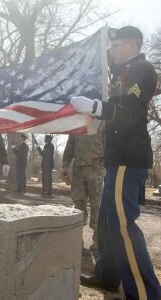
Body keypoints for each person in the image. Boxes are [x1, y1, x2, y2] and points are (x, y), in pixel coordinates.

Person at [71, 26, 161, 299]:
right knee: (107, 222)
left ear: (133, 45)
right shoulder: (122, 71)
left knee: (122, 224)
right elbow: (104, 62)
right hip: (115, 157)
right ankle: (108, 276)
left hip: (128, 156)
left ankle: (146, 292)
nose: (112, 51)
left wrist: (96, 107)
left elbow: (131, 113)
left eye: (117, 45)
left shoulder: (141, 70)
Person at [62, 125, 104, 256]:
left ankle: (97, 242)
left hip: (96, 169)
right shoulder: (77, 122)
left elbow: (110, 144)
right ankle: (77, 238)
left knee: (97, 204)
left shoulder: (102, 120)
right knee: (78, 204)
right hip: (78, 170)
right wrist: (65, 166)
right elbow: (69, 146)